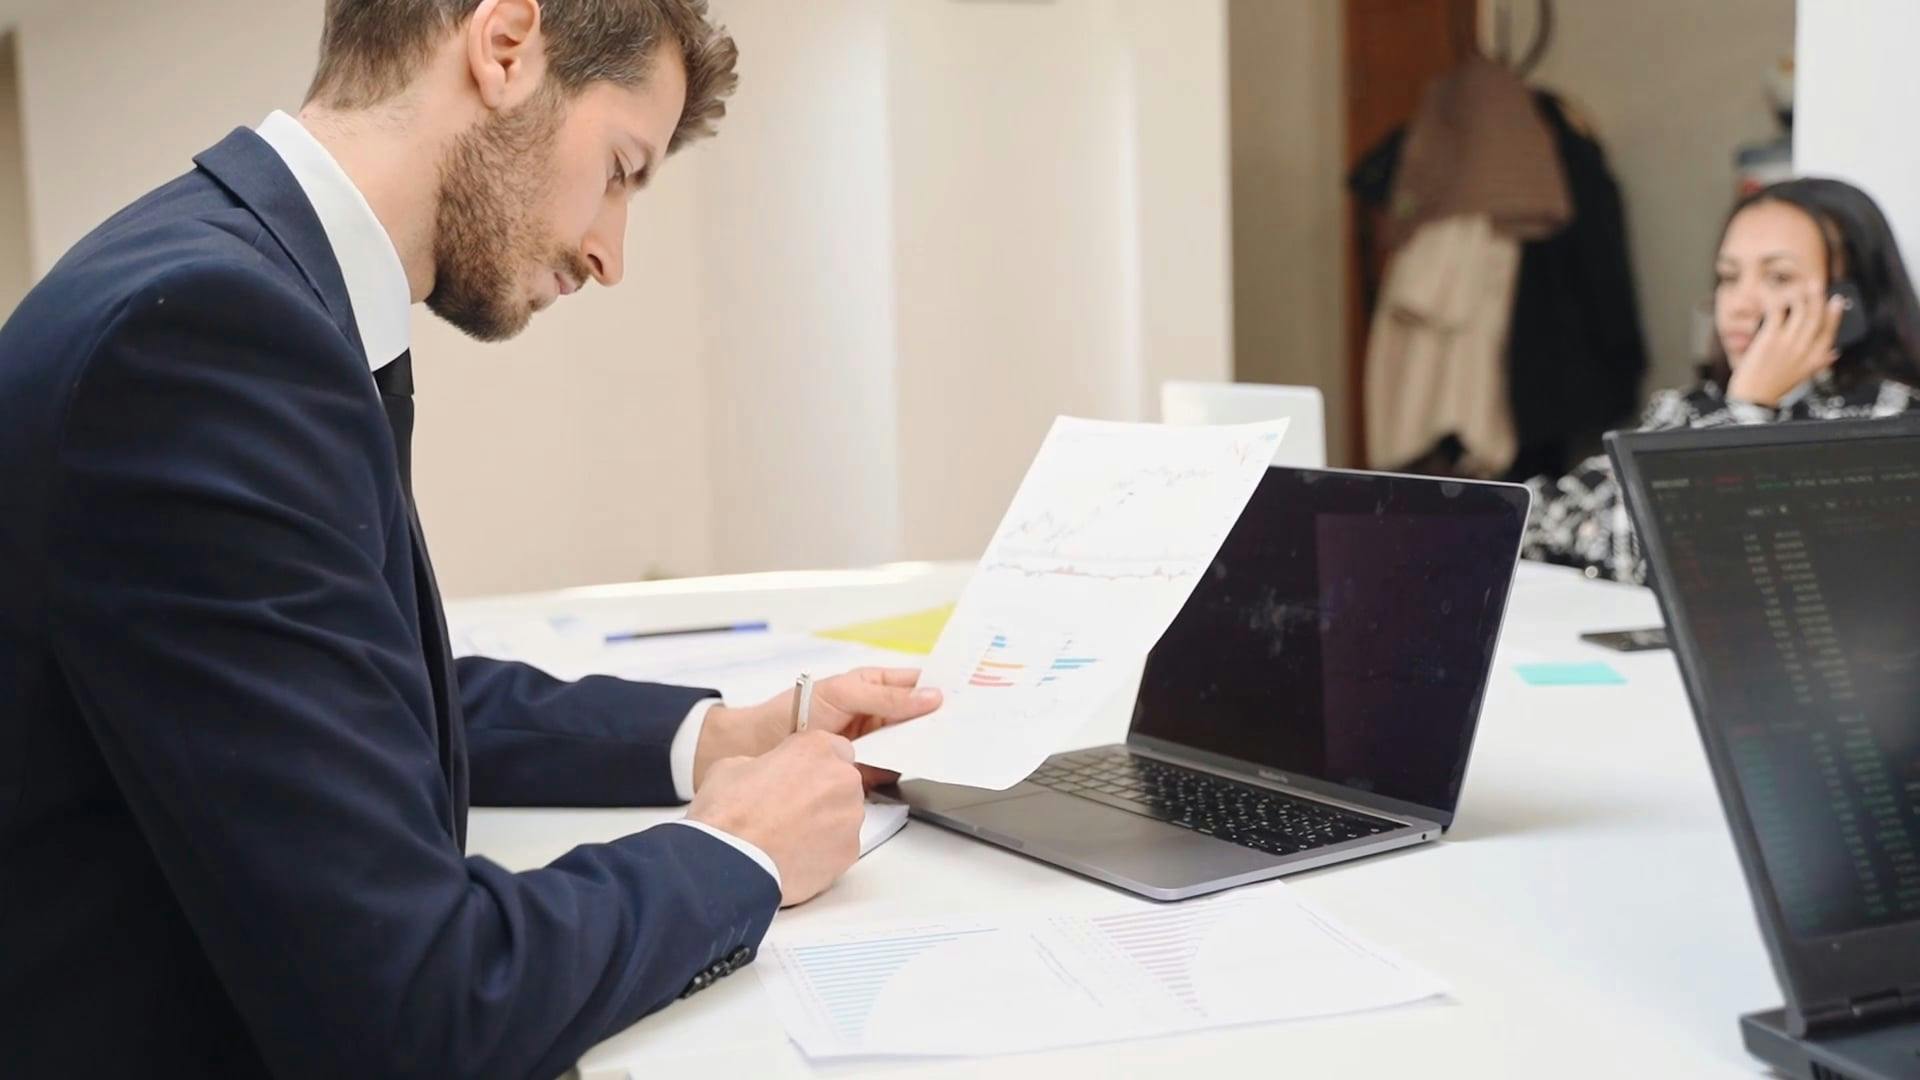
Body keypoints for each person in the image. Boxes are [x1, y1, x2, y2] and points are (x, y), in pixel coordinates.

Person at [0, 2, 944, 1076]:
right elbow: (419, 1008)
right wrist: (739, 849)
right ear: (505, 46)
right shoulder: (205, 337)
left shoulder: (229, 281)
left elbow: (349, 692)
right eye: (621, 169)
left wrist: (718, 738)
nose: (609, 251)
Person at [1524, 177, 1920, 583]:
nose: (1738, 304)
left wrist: (1747, 409)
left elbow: (1685, 565)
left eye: (1779, 277)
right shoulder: (1691, 406)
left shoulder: (1888, 421)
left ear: (1849, 301)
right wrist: (1740, 406)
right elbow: (1535, 521)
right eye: (1729, 278)